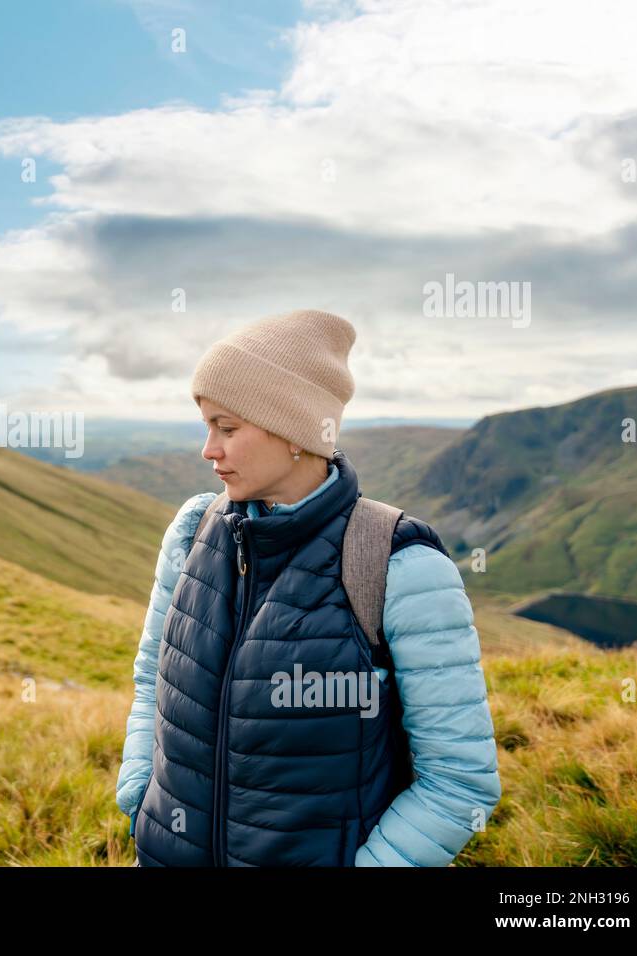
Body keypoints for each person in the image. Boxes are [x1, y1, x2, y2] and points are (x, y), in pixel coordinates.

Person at [116, 309, 502, 866]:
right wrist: (138, 797)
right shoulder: (192, 530)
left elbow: (459, 784)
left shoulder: (398, 563)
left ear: (294, 432)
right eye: (207, 427)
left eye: (227, 428)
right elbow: (152, 680)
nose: (209, 449)